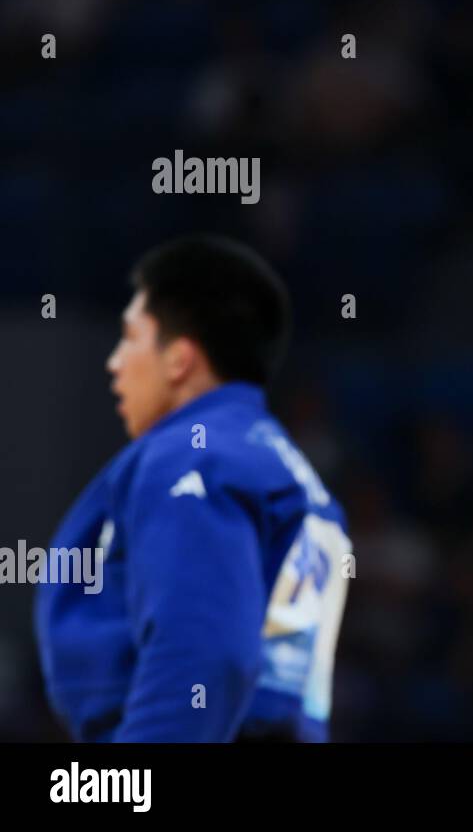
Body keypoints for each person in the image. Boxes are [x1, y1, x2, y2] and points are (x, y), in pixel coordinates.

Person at [35, 234, 351, 741]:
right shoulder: (294, 473)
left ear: (179, 359)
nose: (114, 363)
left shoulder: (193, 455)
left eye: (130, 338)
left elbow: (209, 654)